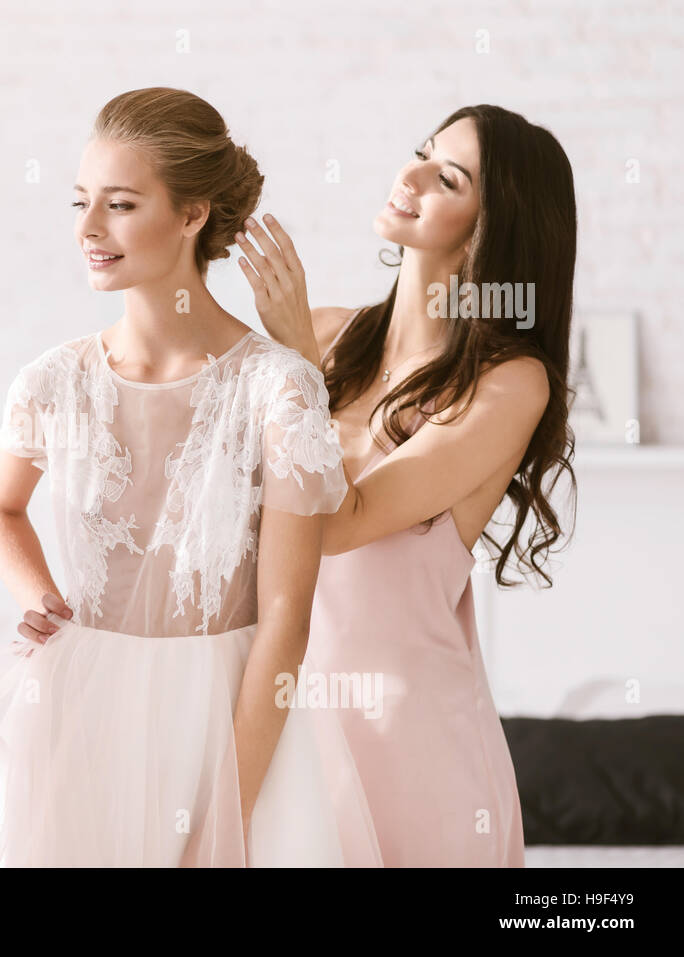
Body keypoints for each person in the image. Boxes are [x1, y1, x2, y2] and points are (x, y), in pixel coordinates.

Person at [0, 88, 383, 866]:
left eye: (118, 205)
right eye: (81, 202)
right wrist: (37, 597)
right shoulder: (53, 381)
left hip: (230, 724)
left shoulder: (277, 387)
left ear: (192, 215)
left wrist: (226, 819)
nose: (87, 230)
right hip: (79, 718)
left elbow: (287, 622)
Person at [235, 105, 576, 865]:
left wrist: (291, 355)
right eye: (420, 152)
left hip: (413, 746)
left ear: (490, 229)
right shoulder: (324, 333)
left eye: (447, 177)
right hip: (289, 726)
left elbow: (336, 519)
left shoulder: (509, 384)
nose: (410, 175)